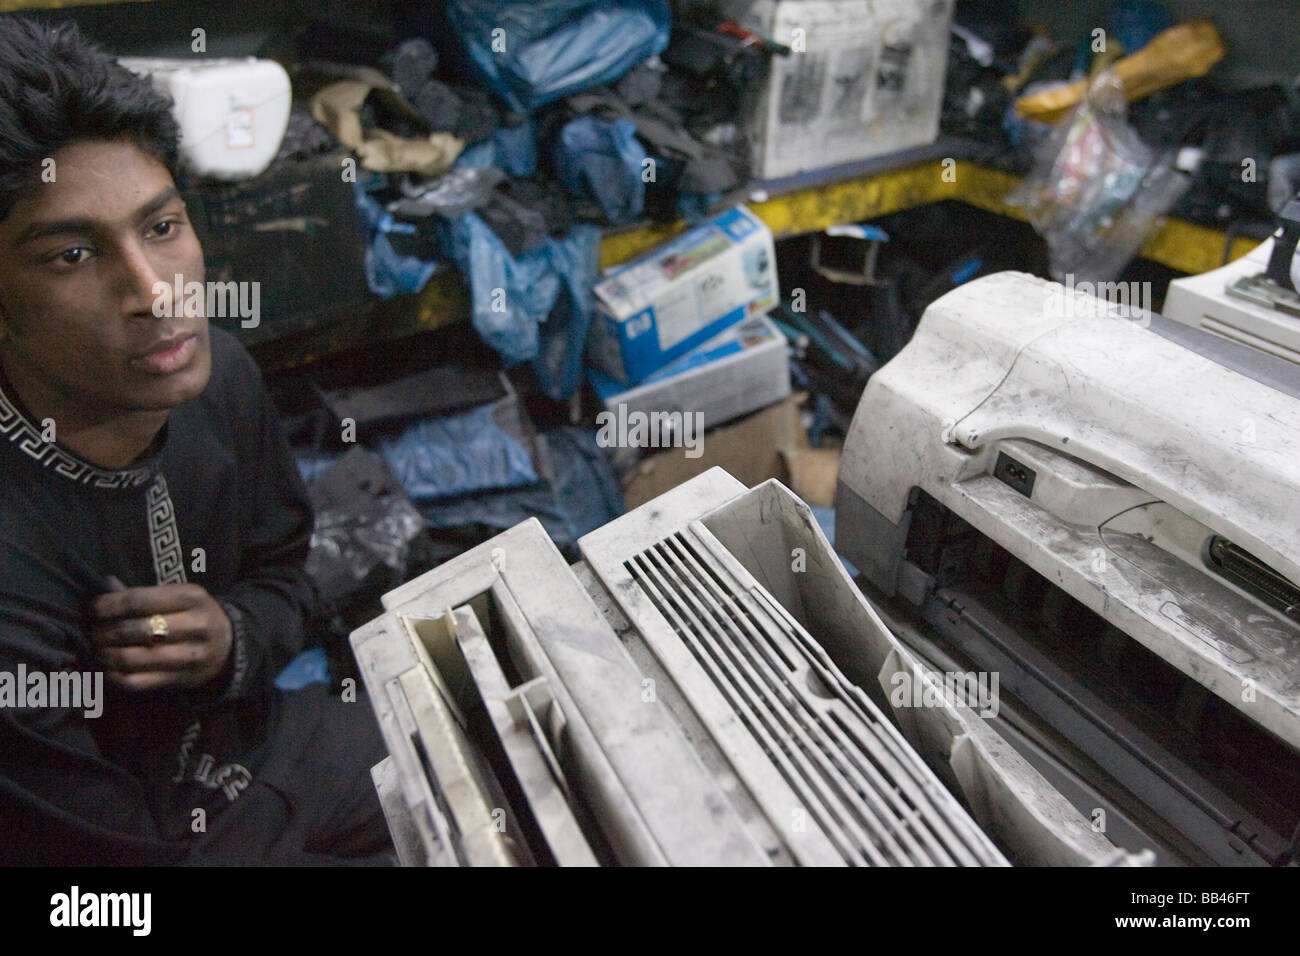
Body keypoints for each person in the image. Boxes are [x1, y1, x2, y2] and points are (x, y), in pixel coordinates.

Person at [0, 16, 394, 865]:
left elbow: (287, 577)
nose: (154, 293)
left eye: (162, 227)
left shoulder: (216, 377)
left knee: (474, 768)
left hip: (232, 745)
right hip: (100, 837)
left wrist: (230, 637)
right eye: (73, 255)